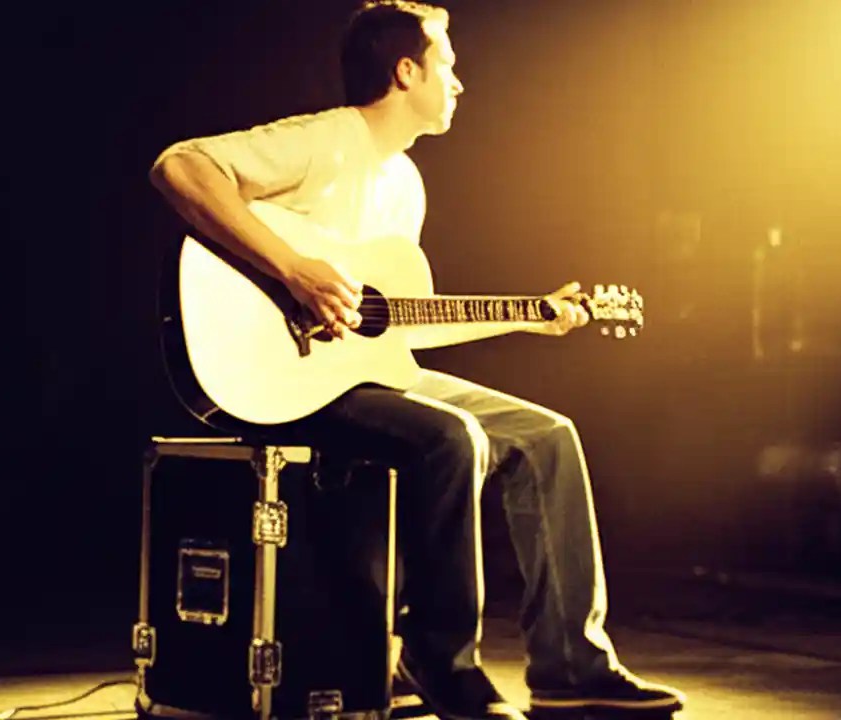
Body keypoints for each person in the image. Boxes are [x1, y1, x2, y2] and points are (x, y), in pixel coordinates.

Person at [149, 3, 685, 719]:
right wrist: (293, 269)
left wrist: (531, 317)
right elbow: (178, 166)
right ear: (407, 72)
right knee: (451, 437)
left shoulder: (405, 183)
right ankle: (439, 656)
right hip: (282, 381)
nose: (460, 83)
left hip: (359, 376)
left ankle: (571, 669)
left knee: (548, 436)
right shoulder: (327, 140)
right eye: (449, 66)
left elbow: (389, 329)